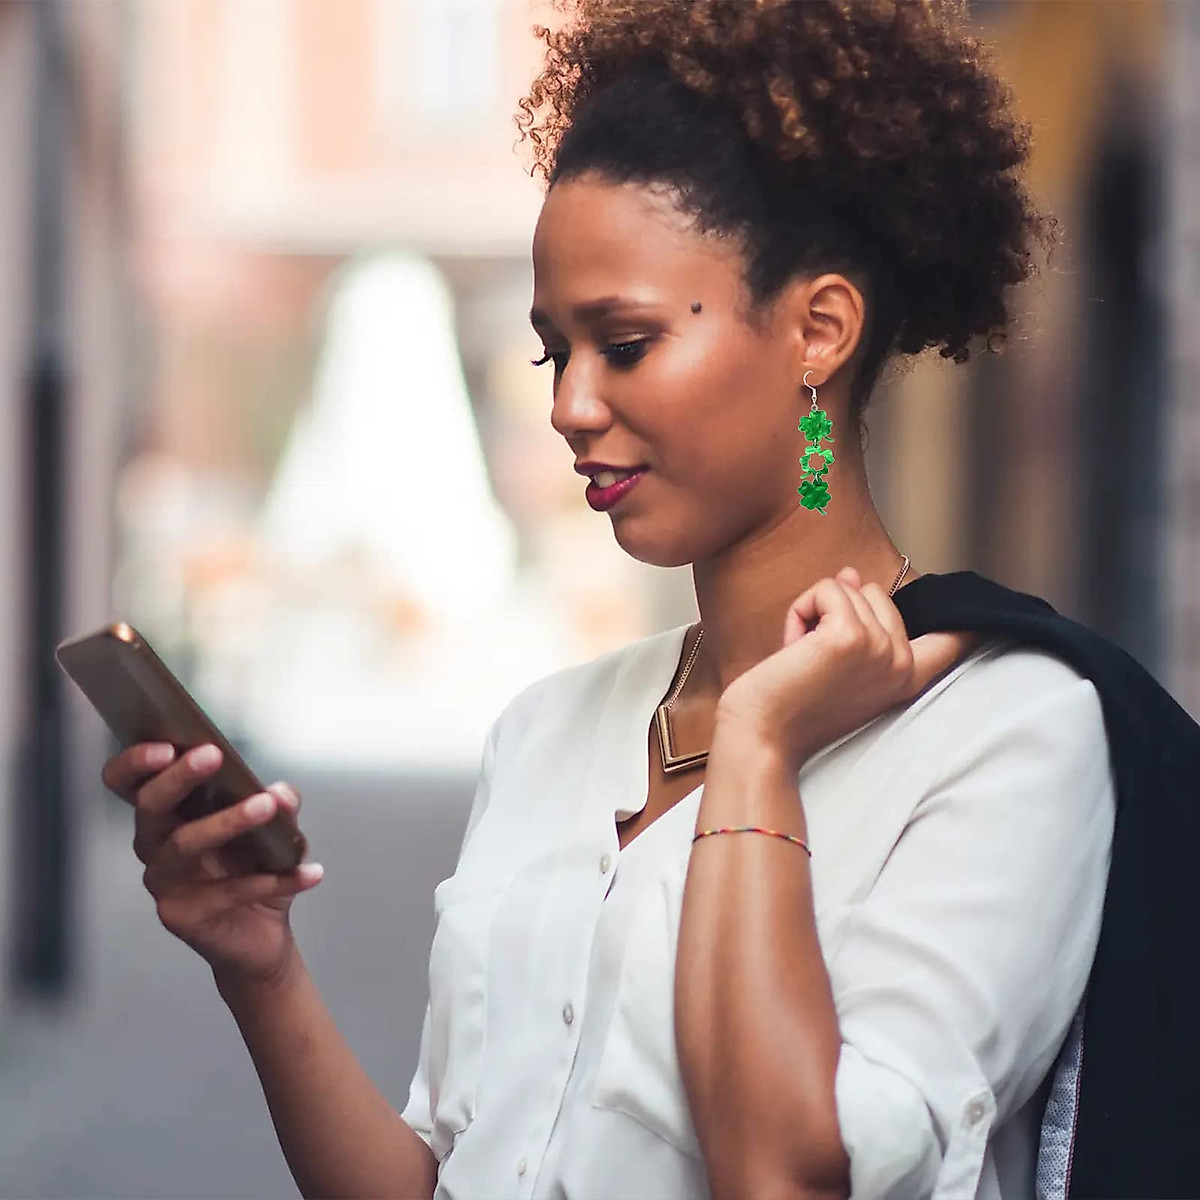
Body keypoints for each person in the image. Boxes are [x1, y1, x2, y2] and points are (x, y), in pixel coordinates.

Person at [101, 2, 1117, 1197]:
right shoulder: (546, 732)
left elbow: (791, 1174)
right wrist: (260, 968)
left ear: (818, 332)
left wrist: (758, 748)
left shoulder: (1008, 737)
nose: (569, 405)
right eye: (553, 351)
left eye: (624, 344)